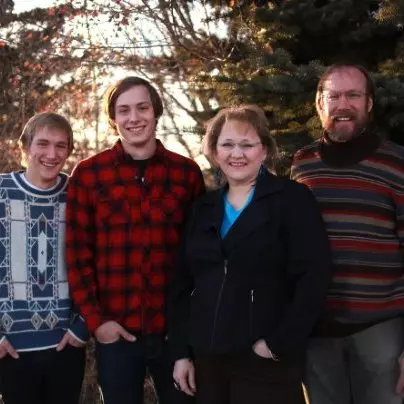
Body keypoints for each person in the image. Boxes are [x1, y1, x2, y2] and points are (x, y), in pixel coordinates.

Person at [169, 104, 331, 404]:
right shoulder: (202, 208)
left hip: (265, 359)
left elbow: (314, 277)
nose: (237, 154)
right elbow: (181, 283)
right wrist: (181, 353)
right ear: (215, 152)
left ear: (264, 150)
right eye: (227, 144)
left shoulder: (292, 200)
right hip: (207, 360)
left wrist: (278, 343)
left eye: (247, 144)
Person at [66, 76, 205, 404]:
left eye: (142, 108)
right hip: (116, 335)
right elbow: (76, 253)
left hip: (175, 335)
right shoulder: (88, 174)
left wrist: (187, 325)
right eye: (124, 110)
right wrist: (97, 322)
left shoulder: (186, 173)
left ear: (156, 111)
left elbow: (198, 256)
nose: (134, 118)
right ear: (113, 119)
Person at [291, 63, 404, 404]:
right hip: (317, 334)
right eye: (334, 96)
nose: (343, 105)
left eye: (353, 95)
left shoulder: (397, 164)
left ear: (368, 104)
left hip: (381, 332)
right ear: (319, 103)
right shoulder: (302, 164)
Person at [0, 112, 88, 404]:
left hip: (66, 345)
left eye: (61, 146)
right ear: (24, 147)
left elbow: (101, 259)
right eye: (43, 143)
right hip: (9, 348)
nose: (52, 154)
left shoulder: (78, 195)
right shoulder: (1, 191)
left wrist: (83, 325)